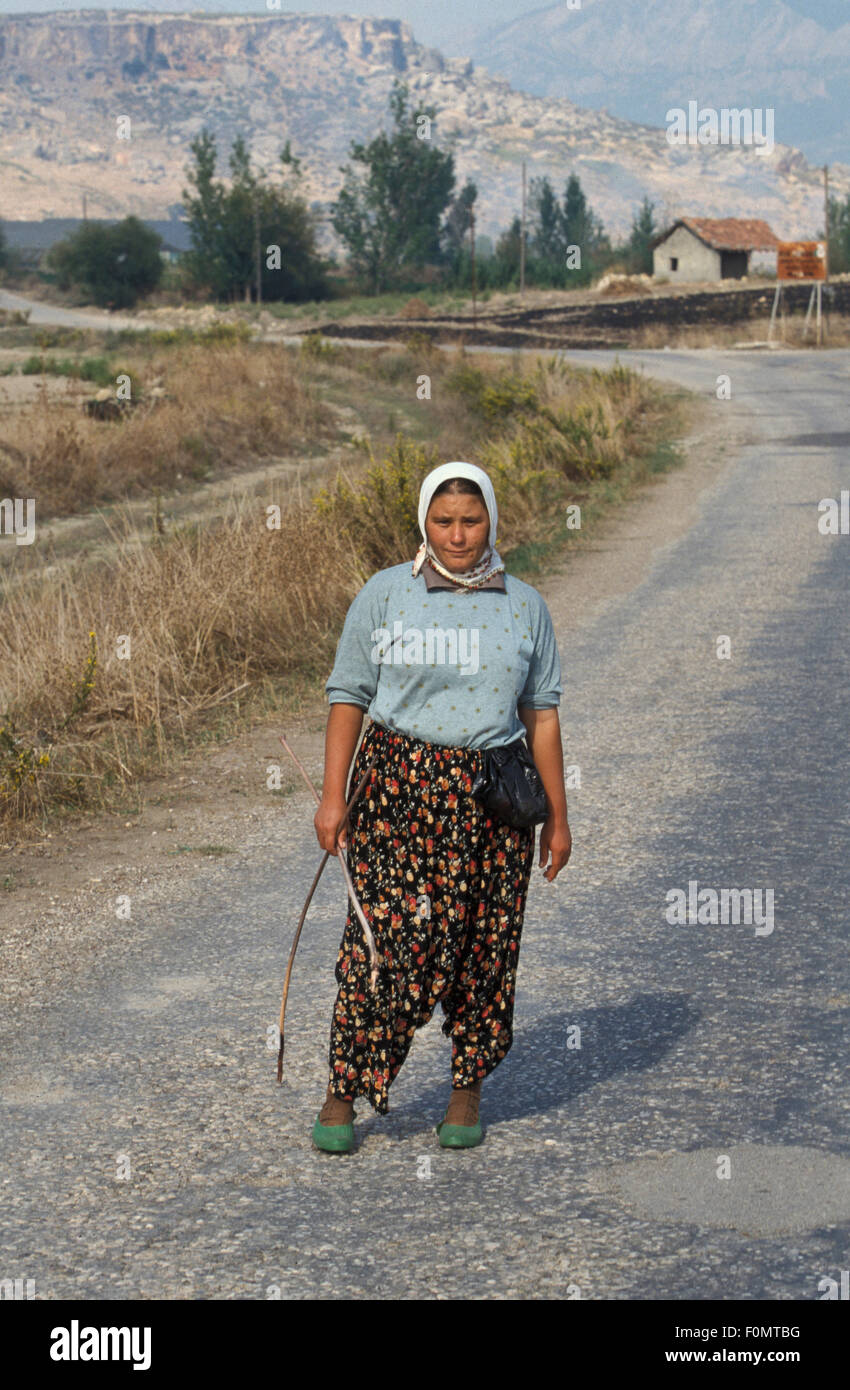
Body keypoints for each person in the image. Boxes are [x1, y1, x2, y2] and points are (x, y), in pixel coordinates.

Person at [311, 460, 572, 1152]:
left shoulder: (524, 606)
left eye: (472, 520)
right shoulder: (385, 595)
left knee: (485, 944)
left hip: (493, 798)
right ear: (424, 522)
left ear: (492, 521)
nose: (458, 536)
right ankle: (343, 1090)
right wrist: (333, 797)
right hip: (396, 791)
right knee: (383, 943)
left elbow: (541, 717)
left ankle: (466, 1093)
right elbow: (348, 696)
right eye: (444, 521)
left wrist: (559, 817)